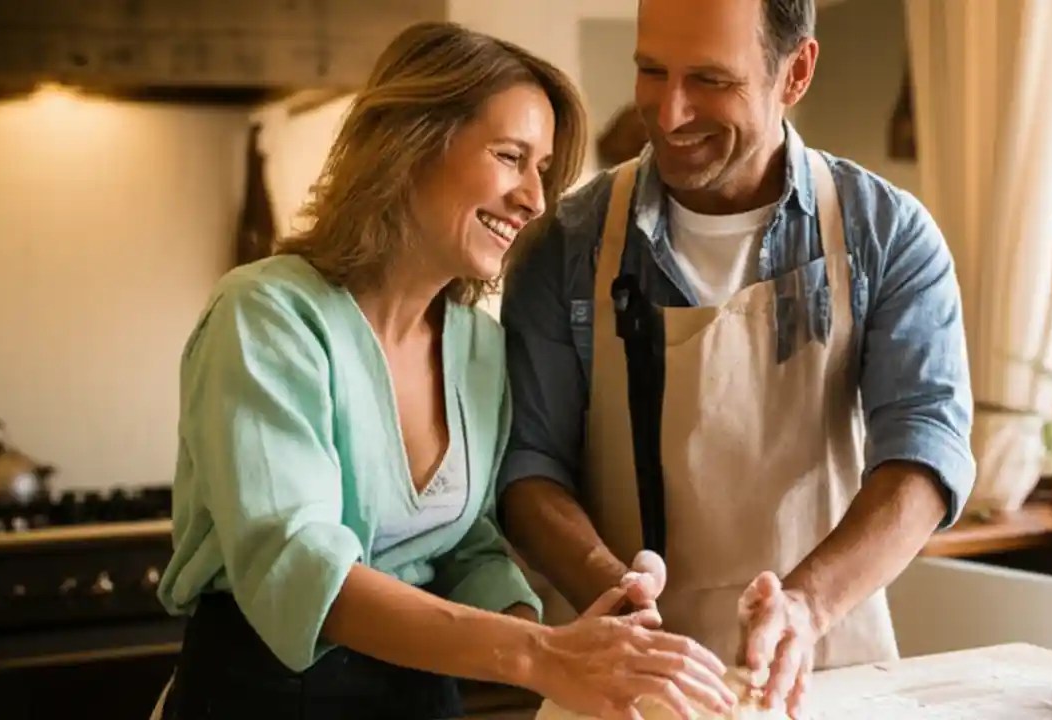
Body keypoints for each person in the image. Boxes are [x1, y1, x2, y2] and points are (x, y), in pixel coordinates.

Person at [153, 20, 737, 720]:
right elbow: (300, 565)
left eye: (542, 170)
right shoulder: (269, 314)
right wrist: (538, 655)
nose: (535, 199)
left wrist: (573, 639)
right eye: (510, 156)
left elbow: (466, 549)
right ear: (411, 145)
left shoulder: (477, 348)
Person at [499, 0, 976, 718]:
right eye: (652, 71)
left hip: (821, 674)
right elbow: (530, 465)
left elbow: (923, 456)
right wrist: (618, 595)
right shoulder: (564, 246)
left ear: (797, 73)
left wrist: (806, 606)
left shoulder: (887, 237)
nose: (669, 111)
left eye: (712, 81)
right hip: (620, 681)